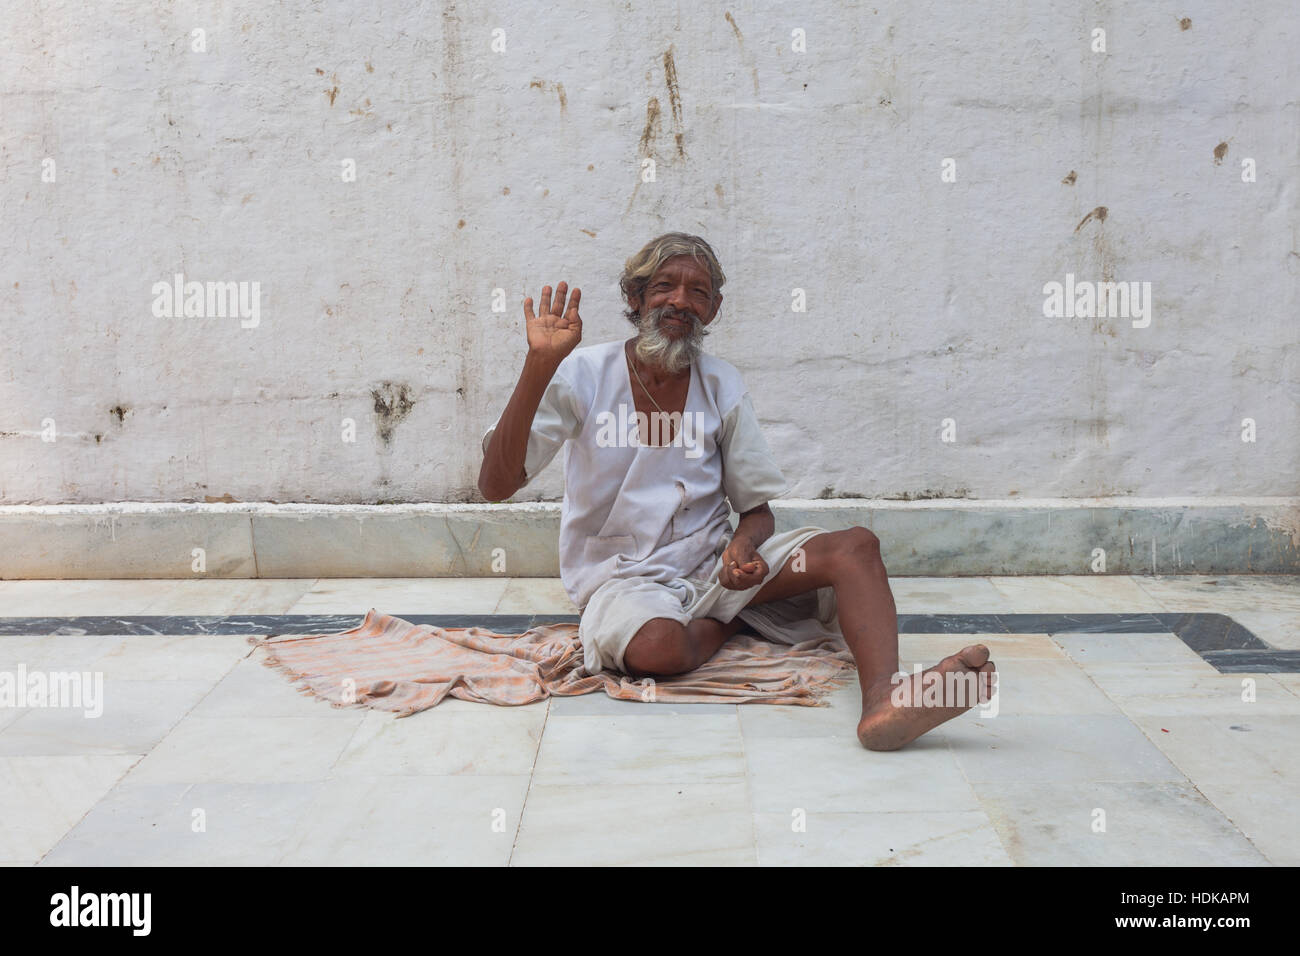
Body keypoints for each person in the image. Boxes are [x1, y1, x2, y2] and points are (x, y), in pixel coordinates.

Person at [478, 232, 995, 749]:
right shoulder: (583, 374)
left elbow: (756, 510)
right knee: (658, 649)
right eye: (663, 287)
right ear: (635, 299)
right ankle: (734, 623)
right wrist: (539, 365)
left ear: (714, 309)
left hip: (717, 570)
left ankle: (884, 698)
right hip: (623, 581)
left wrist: (742, 548)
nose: (680, 301)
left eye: (698, 292)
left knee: (855, 547)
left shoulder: (722, 384)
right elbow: (495, 485)